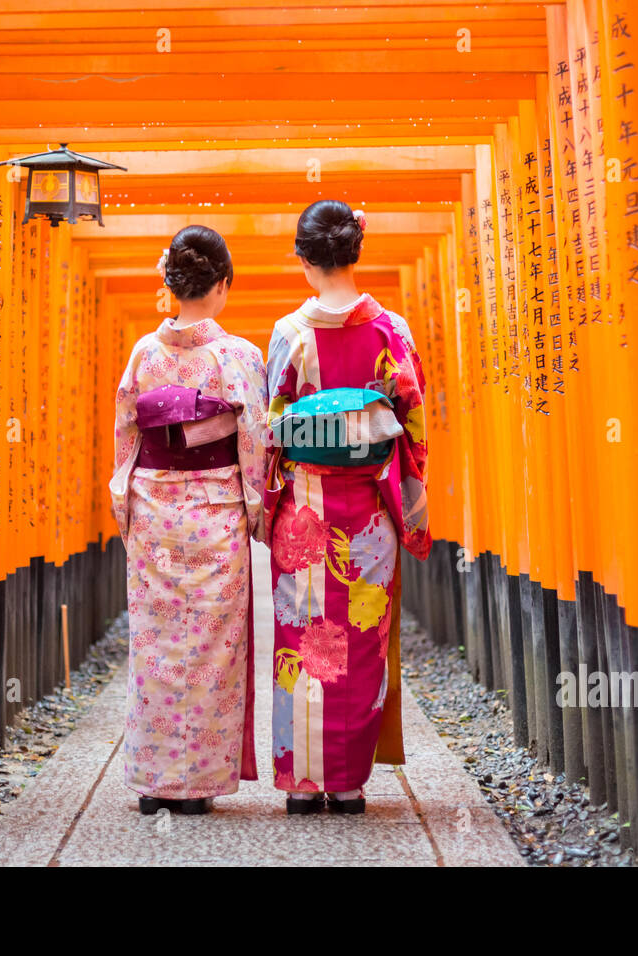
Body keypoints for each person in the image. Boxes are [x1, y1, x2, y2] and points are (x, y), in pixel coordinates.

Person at [264, 200, 430, 814]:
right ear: (355, 251)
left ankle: (302, 783)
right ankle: (350, 782)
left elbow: (272, 426)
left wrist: (266, 502)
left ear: (305, 259)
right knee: (360, 641)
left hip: (305, 512)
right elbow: (411, 429)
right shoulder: (392, 330)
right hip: (366, 516)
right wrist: (408, 503)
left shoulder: (290, 334)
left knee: (302, 637)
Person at [110, 225, 268, 815]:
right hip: (214, 509)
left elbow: (126, 440)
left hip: (153, 508)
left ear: (171, 283)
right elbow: (255, 441)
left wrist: (126, 508)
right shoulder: (239, 357)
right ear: (223, 285)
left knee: (154, 641)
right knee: (209, 644)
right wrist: (257, 511)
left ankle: (155, 782)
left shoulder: (143, 355)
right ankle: (195, 783)